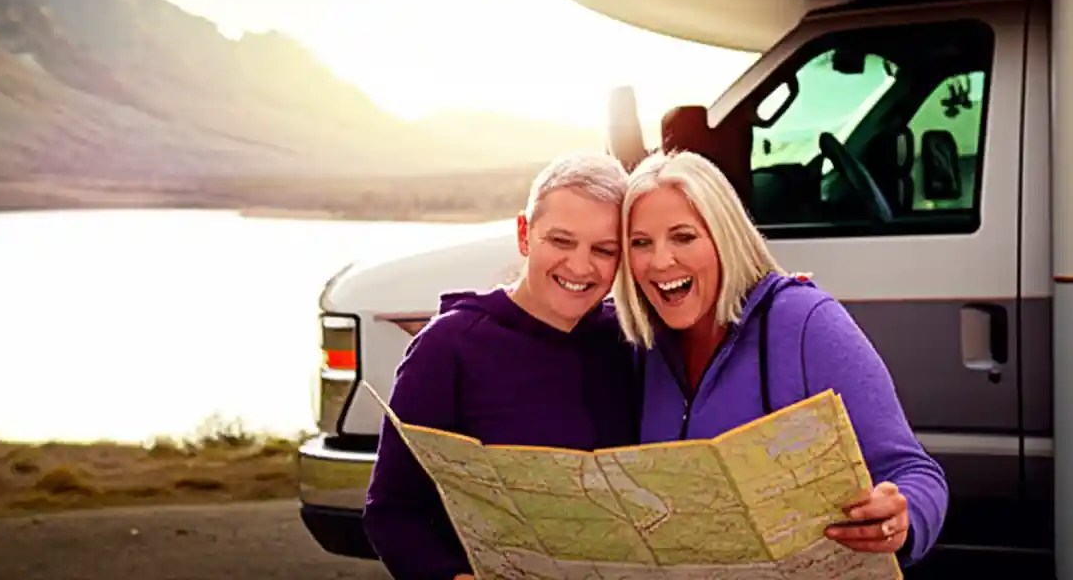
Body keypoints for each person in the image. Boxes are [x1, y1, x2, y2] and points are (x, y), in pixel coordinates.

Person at [613, 150, 948, 568]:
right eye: (641, 243)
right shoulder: (637, 344)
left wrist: (903, 518)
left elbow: (915, 473)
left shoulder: (805, 322)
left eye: (683, 237)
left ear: (725, 237)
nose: (661, 261)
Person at [362, 152, 638, 580]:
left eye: (604, 250)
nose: (581, 266)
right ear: (525, 234)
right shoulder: (447, 348)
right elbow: (393, 510)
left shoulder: (629, 343)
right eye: (561, 241)